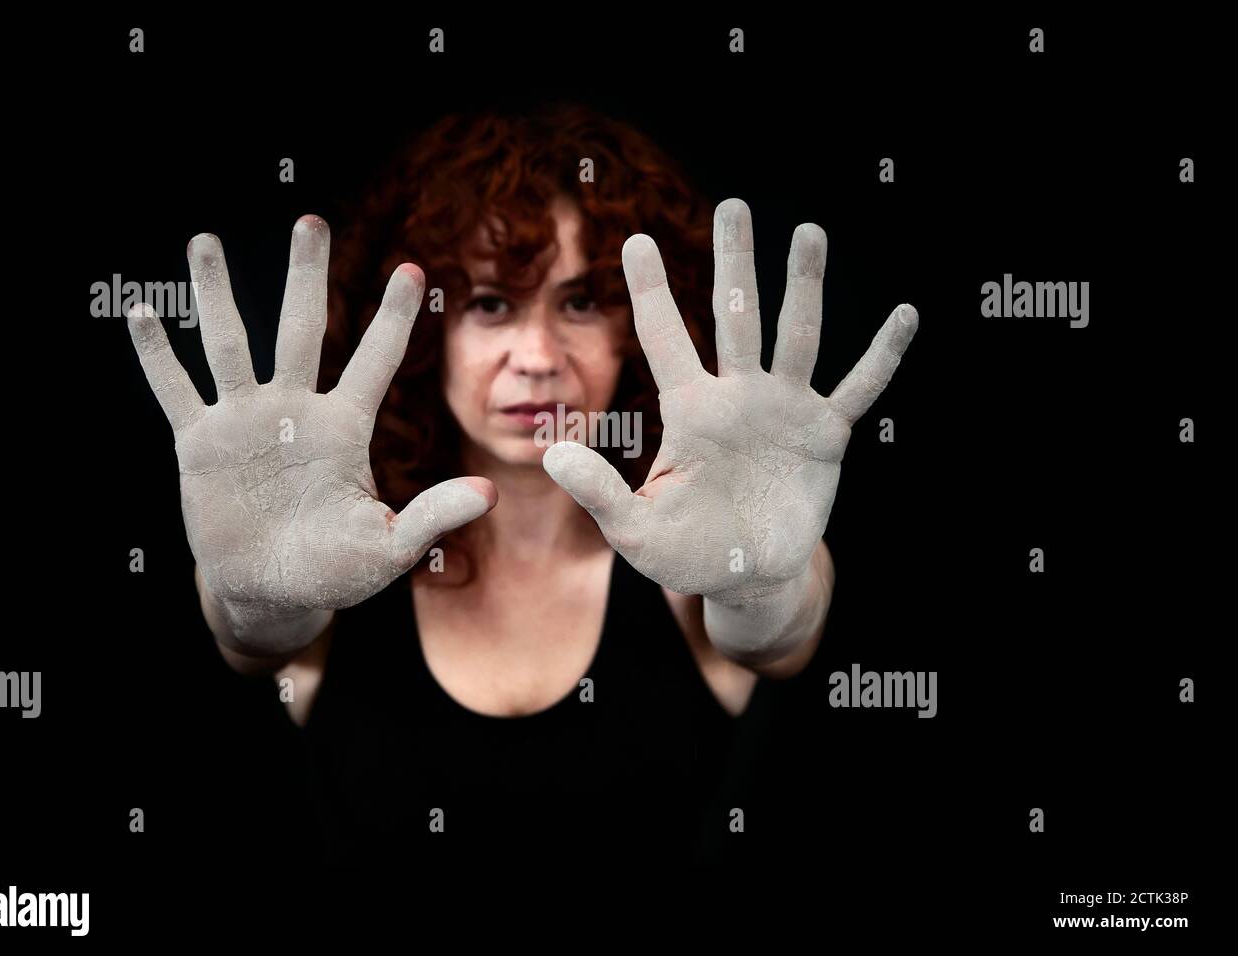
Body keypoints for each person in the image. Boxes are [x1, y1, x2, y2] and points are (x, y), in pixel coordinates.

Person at [125, 103, 917, 861]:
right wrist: (258, 600)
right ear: (428, 324)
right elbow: (257, 641)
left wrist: (756, 583)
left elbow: (776, 632)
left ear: (638, 327)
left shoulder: (696, 549)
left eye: (580, 301)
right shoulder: (333, 549)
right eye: (492, 303)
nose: (537, 356)